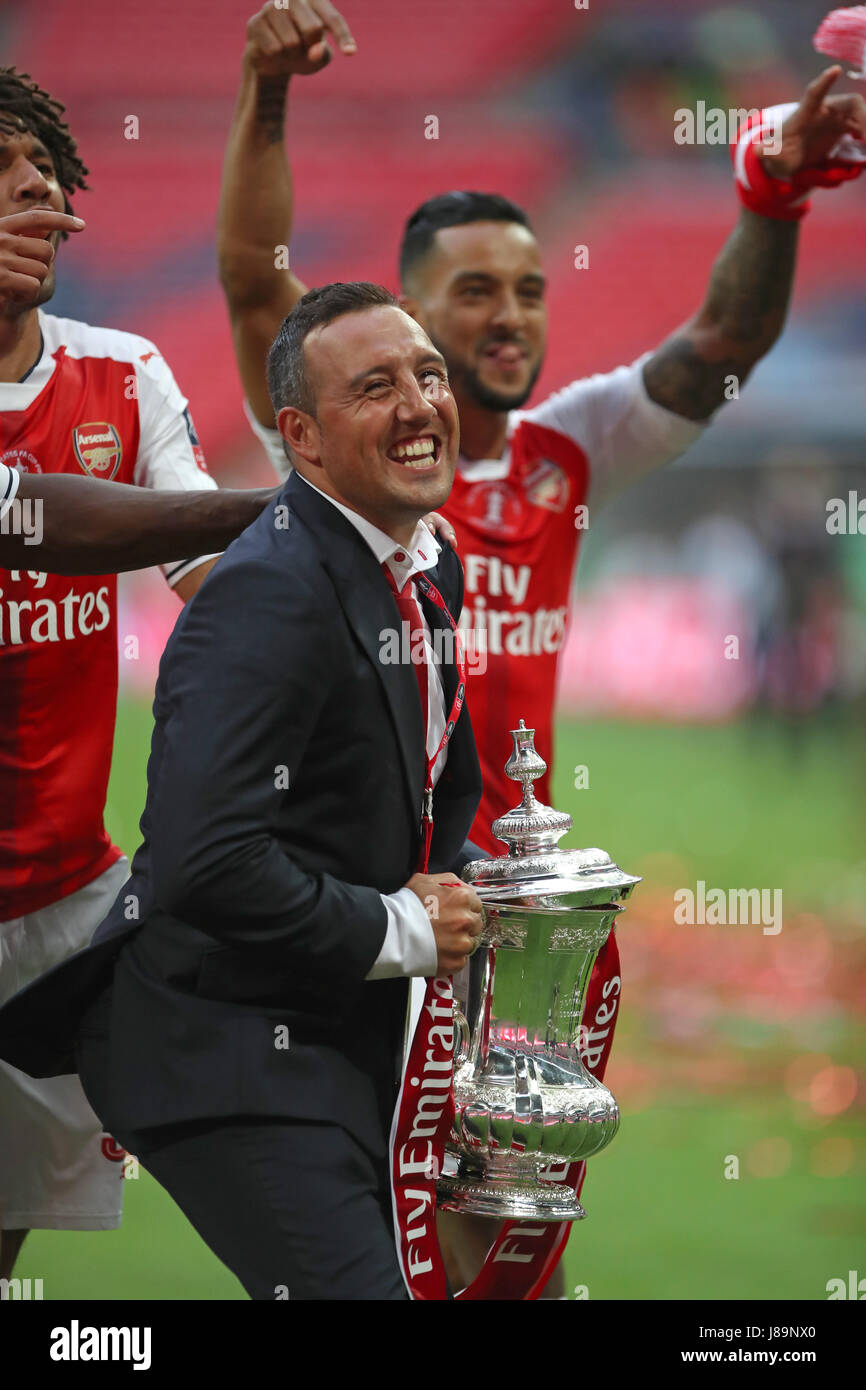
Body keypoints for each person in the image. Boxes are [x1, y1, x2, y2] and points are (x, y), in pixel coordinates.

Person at [216, 0, 866, 1293]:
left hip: (538, 920)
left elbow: (719, 348)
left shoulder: (566, 447)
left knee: (521, 1231)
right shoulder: (362, 456)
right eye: (472, 293)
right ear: (398, 316)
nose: (509, 316)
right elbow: (253, 280)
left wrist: (772, 188)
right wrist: (268, 93)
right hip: (384, 916)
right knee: (391, 1254)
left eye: (526, 288)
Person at [0, 282, 486, 1300]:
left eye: (428, 376)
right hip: (219, 1046)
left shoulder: (422, 569)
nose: (417, 405)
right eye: (376, 387)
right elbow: (202, 863)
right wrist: (402, 927)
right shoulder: (269, 590)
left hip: (333, 1033)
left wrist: (519, 888)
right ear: (300, 439)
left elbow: (434, 814)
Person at [0, 64, 247, 1281]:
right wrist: (294, 512)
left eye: (40, 184)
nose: (31, 203)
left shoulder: (121, 374)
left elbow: (209, 569)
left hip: (63, 909)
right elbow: (41, 520)